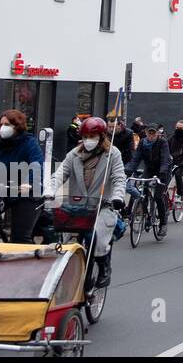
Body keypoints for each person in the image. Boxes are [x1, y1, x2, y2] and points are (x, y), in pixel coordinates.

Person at [51, 117, 127, 287]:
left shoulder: (112, 154)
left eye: (92, 136)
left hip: (103, 207)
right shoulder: (74, 154)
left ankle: (104, 266)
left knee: (97, 238)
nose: (88, 140)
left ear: (101, 136)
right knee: (59, 237)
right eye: (85, 136)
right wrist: (49, 190)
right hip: (77, 208)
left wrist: (118, 197)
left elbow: (119, 178)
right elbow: (60, 173)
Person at [0, 110, 45, 243]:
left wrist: (29, 183)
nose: (3, 127)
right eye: (1, 124)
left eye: (7, 124)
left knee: (20, 237)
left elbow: (36, 165)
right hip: (4, 188)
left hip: (27, 192)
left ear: (17, 127)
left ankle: (23, 260)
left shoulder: (30, 143)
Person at [127, 122, 173, 236]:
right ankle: (146, 215)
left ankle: (163, 224)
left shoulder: (162, 143)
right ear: (146, 133)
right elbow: (136, 159)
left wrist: (162, 172)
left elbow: (165, 159)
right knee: (143, 191)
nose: (151, 136)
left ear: (158, 133)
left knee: (158, 196)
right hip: (150, 169)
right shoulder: (143, 142)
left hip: (163, 171)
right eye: (149, 133)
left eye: (154, 133)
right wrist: (127, 170)